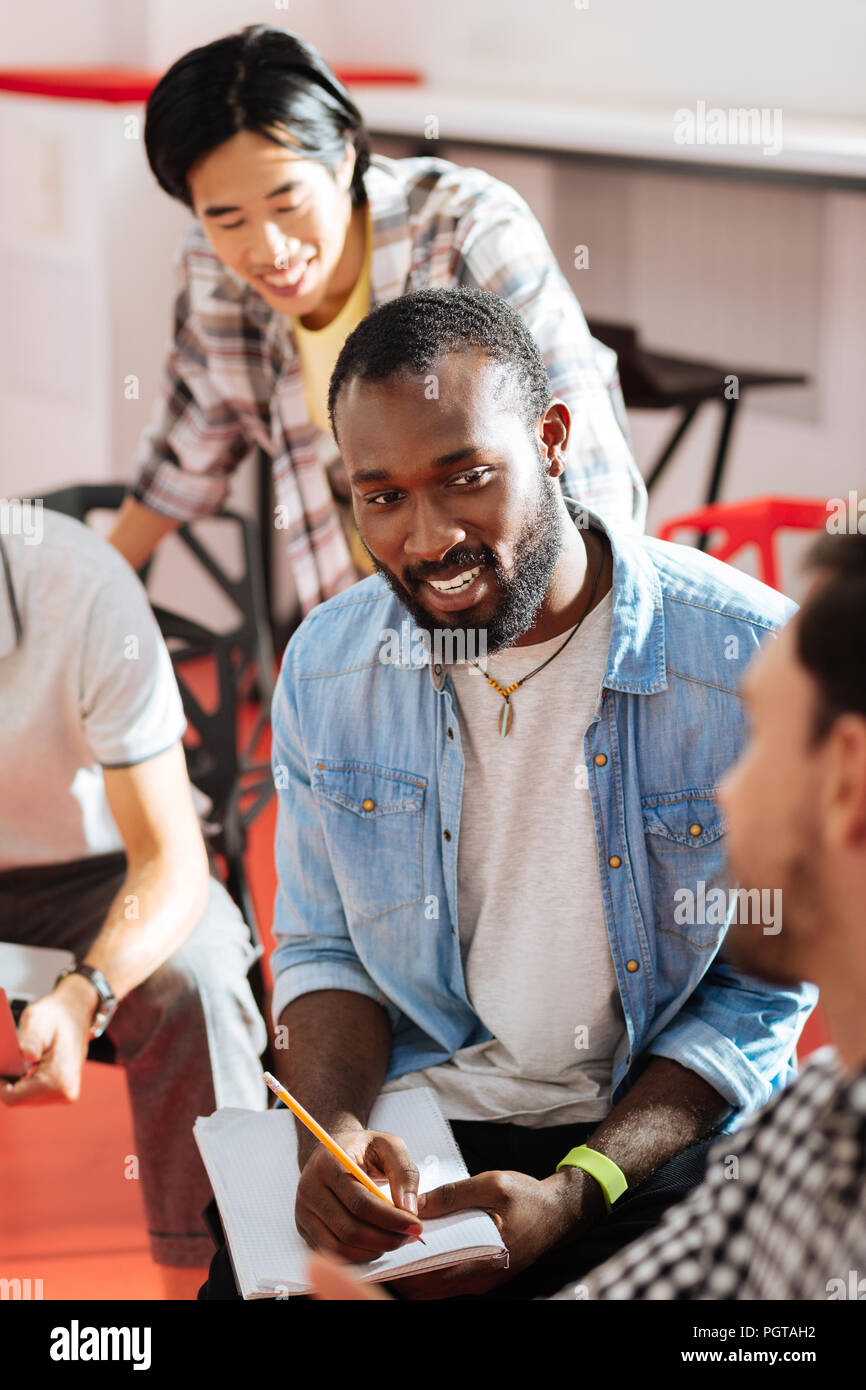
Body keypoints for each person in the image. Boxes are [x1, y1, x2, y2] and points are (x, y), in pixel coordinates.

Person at [199, 287, 816, 1300]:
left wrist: (579, 1189)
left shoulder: (748, 661)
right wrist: (338, 1139)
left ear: (553, 438)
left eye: (465, 477)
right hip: (419, 1115)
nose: (429, 537)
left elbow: (755, 998)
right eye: (380, 496)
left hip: (650, 1136)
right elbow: (322, 950)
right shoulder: (328, 665)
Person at [308, 521, 866, 1302]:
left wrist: (581, 1187)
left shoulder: (817, 1149)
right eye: (382, 493)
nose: (726, 793)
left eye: (765, 741)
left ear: (847, 781)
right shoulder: (819, 1124)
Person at [107, 24, 645, 618]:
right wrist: (85, 587)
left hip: (515, 603)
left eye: (287, 204)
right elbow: (184, 455)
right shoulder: (212, 270)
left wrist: (577, 646)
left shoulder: (466, 229)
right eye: (227, 219)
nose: (269, 248)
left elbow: (588, 477)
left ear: (342, 157)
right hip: (370, 614)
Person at [0, 507, 268, 1299]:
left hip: (100, 864)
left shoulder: (81, 587)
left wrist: (85, 994)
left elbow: (169, 859)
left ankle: (217, 1282)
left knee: (197, 980)